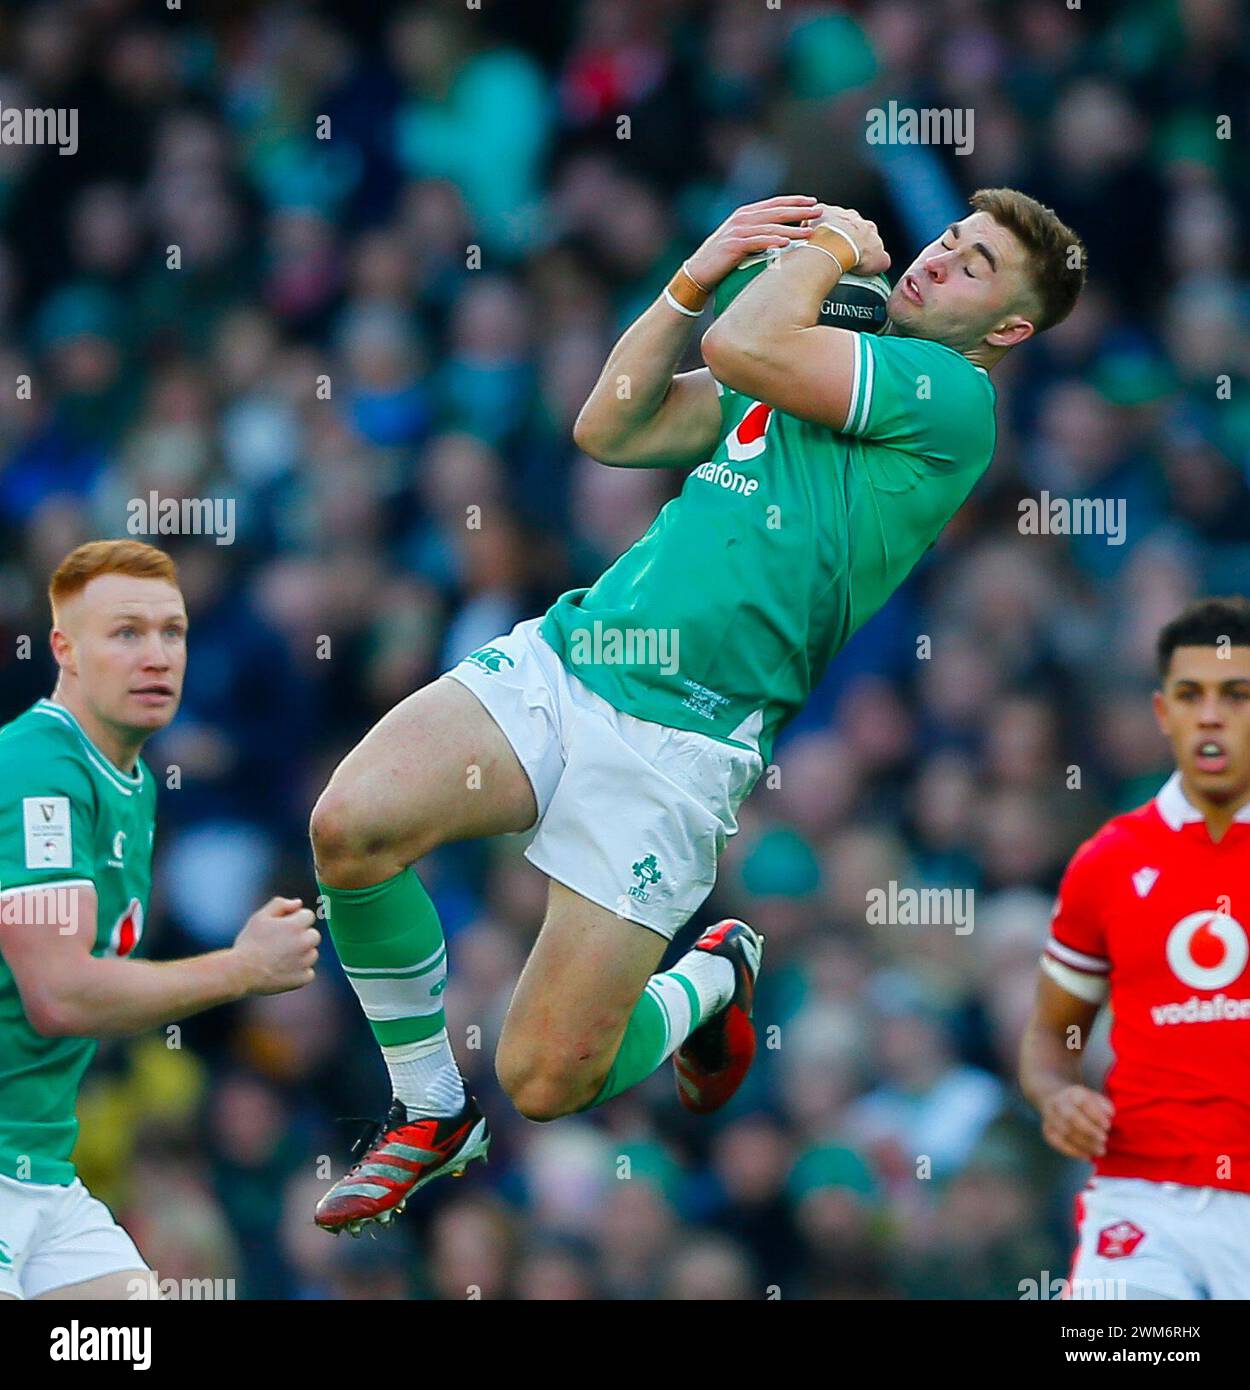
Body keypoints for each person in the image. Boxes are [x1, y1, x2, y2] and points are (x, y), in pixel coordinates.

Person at [309, 187, 1087, 1235]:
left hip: (681, 748)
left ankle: (711, 975)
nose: (936, 261)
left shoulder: (950, 399)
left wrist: (821, 246)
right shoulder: (810, 358)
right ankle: (431, 1109)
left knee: (545, 1080)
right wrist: (693, 272)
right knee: (348, 828)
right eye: (946, 240)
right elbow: (609, 421)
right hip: (569, 661)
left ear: (1005, 331)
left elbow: (747, 342)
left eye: (974, 267)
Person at [0, 540, 319, 1301]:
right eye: (125, 633)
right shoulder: (39, 771)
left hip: (38, 1168)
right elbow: (59, 994)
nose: (157, 656)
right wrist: (243, 968)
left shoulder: (133, 786)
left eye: (171, 633)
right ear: (66, 651)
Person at [1020, 596, 1250, 1300]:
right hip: (1145, 1202)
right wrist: (1058, 1097)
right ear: (1164, 714)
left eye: (1235, 694)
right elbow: (1051, 1041)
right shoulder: (1109, 862)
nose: (1211, 715)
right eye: (1191, 695)